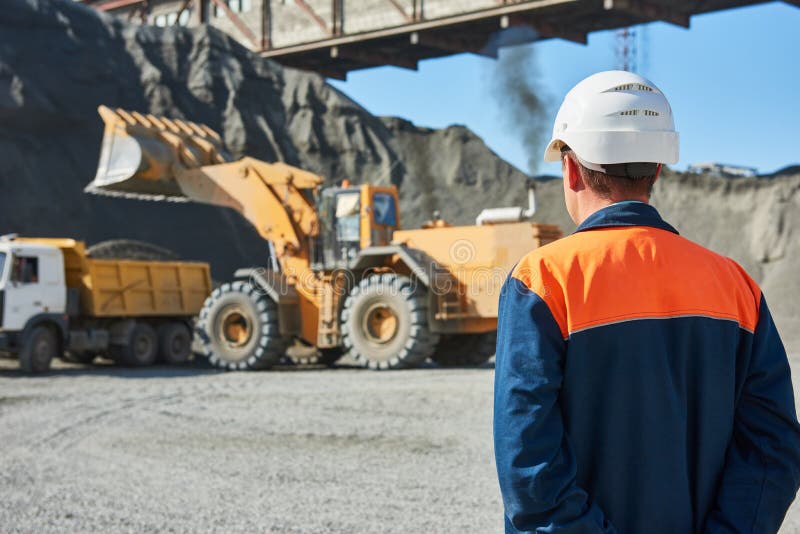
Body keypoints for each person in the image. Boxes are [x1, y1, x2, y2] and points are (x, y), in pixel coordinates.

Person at [493, 70, 800, 533]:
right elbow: (772, 447)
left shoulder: (543, 281)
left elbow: (529, 466)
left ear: (571, 168)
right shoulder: (737, 287)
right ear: (658, 168)